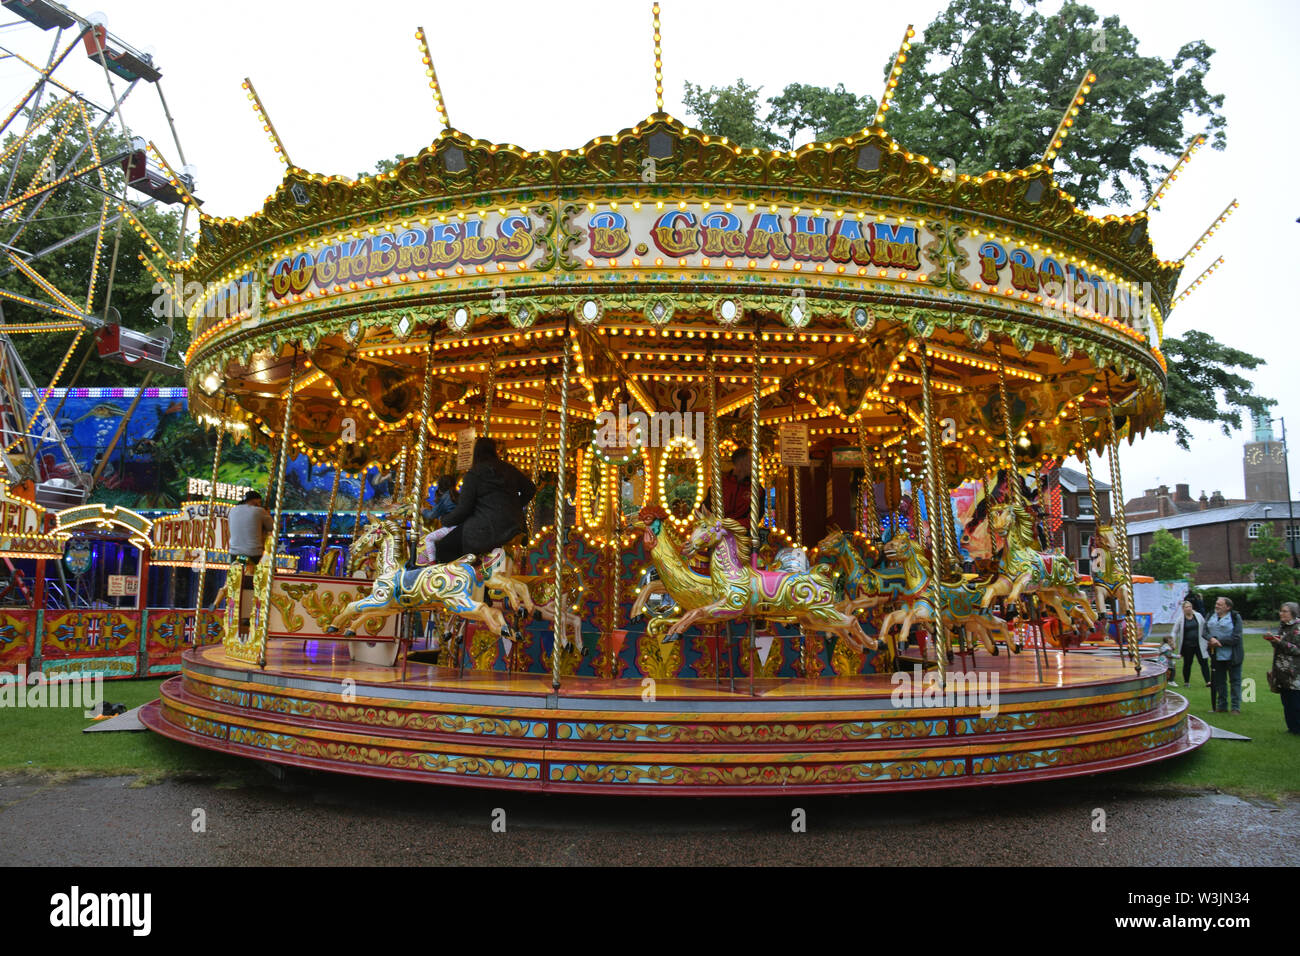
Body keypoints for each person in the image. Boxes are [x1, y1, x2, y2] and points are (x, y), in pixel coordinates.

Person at [428, 437, 536, 561]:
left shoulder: (474, 474)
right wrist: (514, 506)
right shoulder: (508, 469)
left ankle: (469, 576)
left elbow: (464, 509)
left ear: (476, 453)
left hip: (485, 529)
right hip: (514, 527)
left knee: (443, 548)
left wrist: (446, 520)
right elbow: (530, 489)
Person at [705, 448, 763, 531]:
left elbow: (755, 518)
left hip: (742, 533)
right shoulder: (719, 485)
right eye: (752, 461)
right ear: (741, 463)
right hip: (718, 531)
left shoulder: (757, 490)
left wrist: (731, 527)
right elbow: (706, 510)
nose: (755, 465)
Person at [1264, 601, 1300, 734]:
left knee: (1295, 702)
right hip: (1281, 670)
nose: (1281, 613)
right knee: (1286, 701)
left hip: (1294, 672)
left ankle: (1298, 728)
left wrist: (1280, 642)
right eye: (1281, 611)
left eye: (1285, 611)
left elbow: (1297, 650)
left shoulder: (1298, 628)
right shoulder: (1283, 626)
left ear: (1293, 613)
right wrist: (1273, 641)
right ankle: (1291, 728)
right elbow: (1280, 647)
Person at [1205, 596, 1244, 714]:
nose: (1216, 606)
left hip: (1233, 655)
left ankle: (1235, 707)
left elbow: (1236, 637)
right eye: (1216, 603)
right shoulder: (1211, 614)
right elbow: (1204, 631)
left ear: (1228, 607)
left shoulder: (1235, 617)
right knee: (1219, 681)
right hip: (1216, 654)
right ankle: (1221, 706)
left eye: (1220, 604)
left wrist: (1218, 641)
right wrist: (1211, 639)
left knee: (1235, 681)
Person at [227, 490, 274, 561]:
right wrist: (268, 514)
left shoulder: (232, 510)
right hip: (253, 552)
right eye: (259, 502)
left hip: (234, 552)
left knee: (235, 570)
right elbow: (271, 527)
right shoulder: (259, 511)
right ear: (256, 501)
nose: (260, 504)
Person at [1172, 599, 1209, 689]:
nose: (1189, 609)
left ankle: (1208, 681)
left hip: (1200, 644)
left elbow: (1205, 627)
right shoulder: (1180, 619)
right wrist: (1173, 642)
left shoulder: (1198, 616)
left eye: (1190, 607)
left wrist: (1209, 639)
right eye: (1186, 607)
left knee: (1204, 662)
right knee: (1187, 663)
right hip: (1187, 645)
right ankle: (1186, 682)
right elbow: (1174, 632)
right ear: (1183, 609)